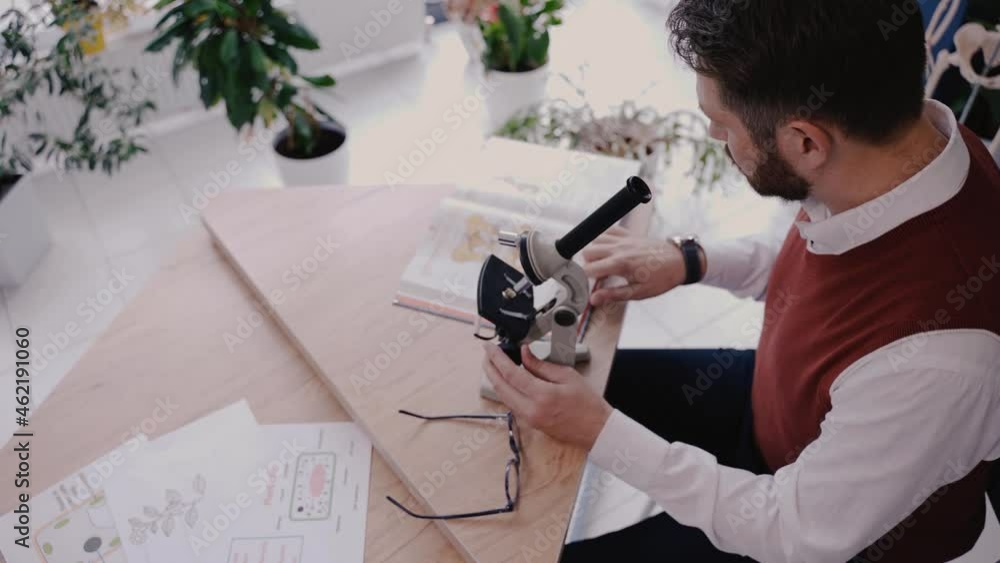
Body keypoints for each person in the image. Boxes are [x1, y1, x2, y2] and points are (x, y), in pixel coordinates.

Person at [480, 1, 1000, 561]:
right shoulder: (913, 145)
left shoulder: (937, 360)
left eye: (722, 125)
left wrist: (600, 432)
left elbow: (791, 530)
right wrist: (690, 259)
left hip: (811, 526)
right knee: (564, 383)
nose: (711, 135)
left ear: (805, 143)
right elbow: (822, 251)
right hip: (780, 405)